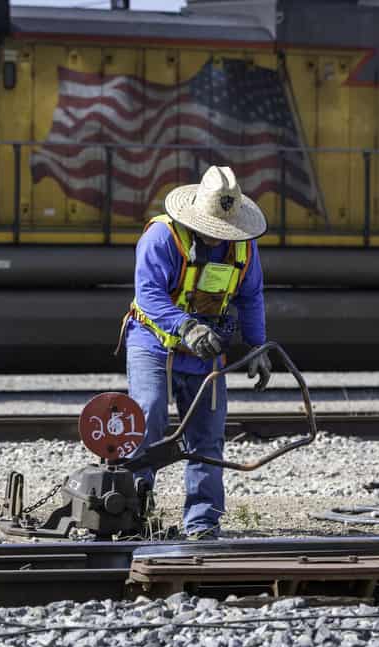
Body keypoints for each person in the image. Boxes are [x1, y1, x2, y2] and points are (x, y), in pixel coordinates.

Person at [118, 165, 272, 540]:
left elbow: (250, 297)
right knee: (148, 418)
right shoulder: (161, 237)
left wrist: (257, 346)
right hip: (154, 345)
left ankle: (203, 523)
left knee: (207, 436)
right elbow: (149, 294)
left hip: (207, 353)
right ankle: (134, 514)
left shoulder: (243, 247)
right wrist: (186, 326)